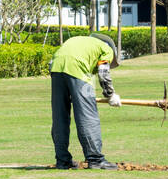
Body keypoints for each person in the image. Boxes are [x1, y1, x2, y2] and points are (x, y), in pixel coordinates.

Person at [49, 33, 120, 171]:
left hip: (56, 68)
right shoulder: (107, 49)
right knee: (87, 116)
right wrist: (110, 95)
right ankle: (95, 159)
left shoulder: (81, 41)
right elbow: (103, 72)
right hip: (77, 68)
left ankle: (62, 161)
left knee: (60, 117)